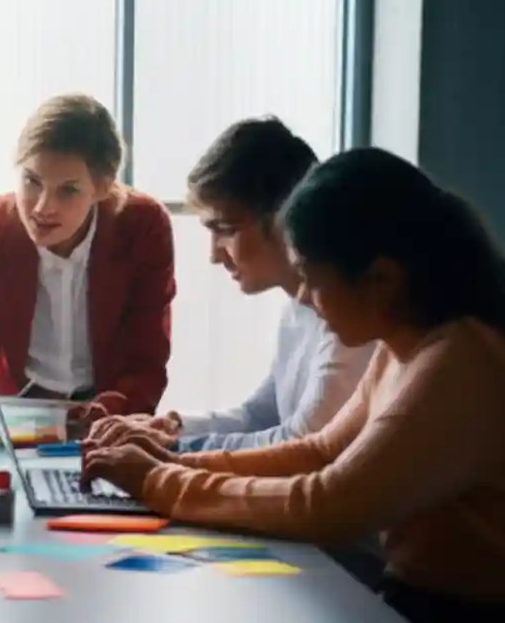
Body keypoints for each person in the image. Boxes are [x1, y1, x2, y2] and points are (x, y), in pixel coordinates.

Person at [82, 148, 505, 623]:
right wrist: (170, 463)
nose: (308, 300)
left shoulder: (459, 360)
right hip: (440, 608)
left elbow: (325, 504)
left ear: (381, 279)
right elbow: (320, 450)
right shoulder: (405, 344)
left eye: (314, 279)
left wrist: (160, 482)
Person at [106, 118, 373, 453]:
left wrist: (174, 447)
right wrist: (173, 425)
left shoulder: (350, 322)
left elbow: (301, 444)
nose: (215, 257)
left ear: (283, 220)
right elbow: (260, 415)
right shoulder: (296, 310)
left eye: (226, 229)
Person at [0, 93, 175, 424]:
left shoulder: (142, 226)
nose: (42, 207)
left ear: (102, 188)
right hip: (14, 412)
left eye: (68, 190)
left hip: (109, 414)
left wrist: (104, 416)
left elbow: (145, 358)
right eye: (32, 181)